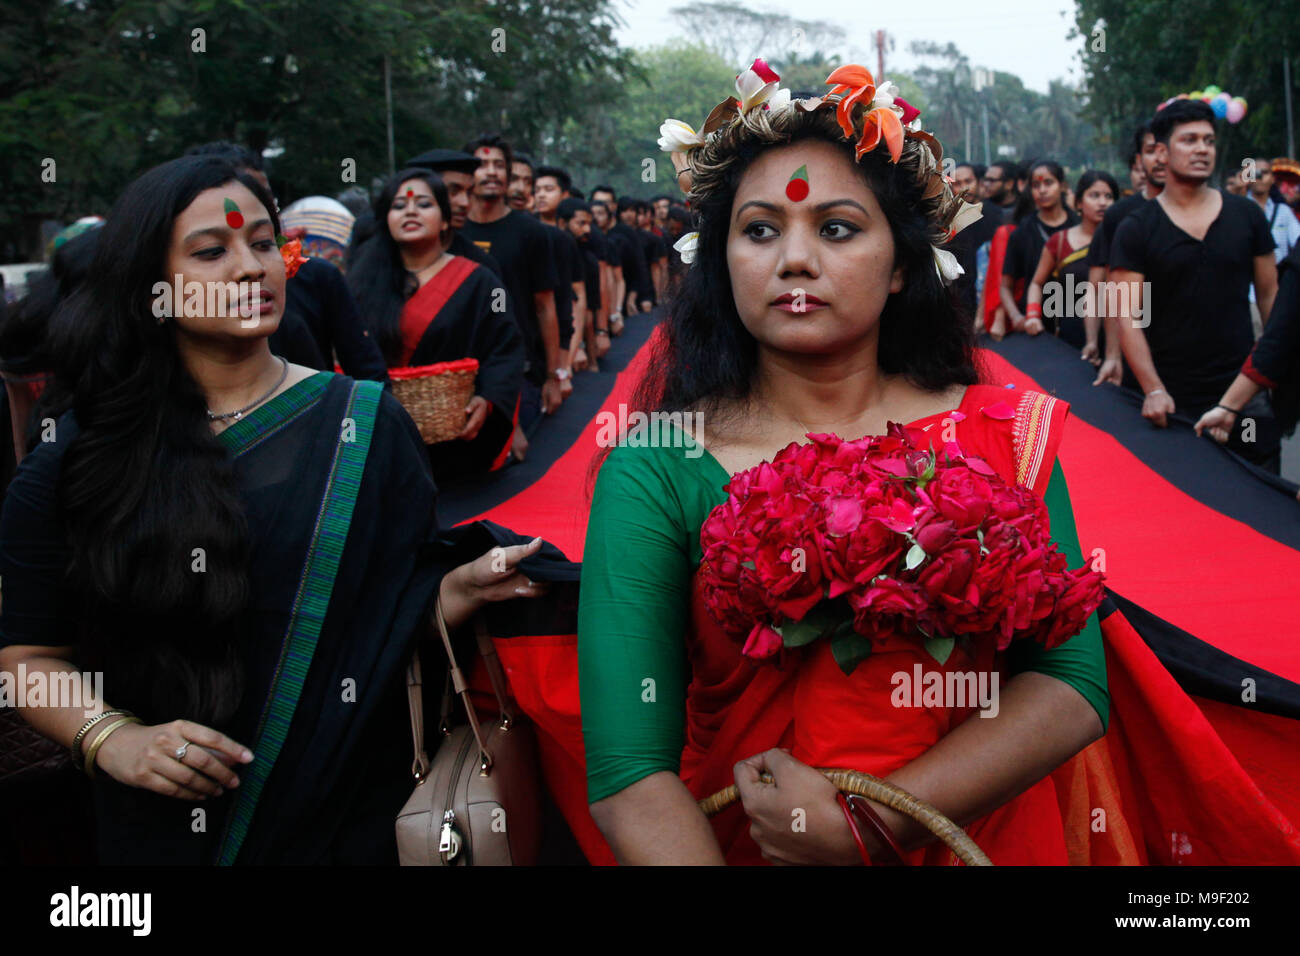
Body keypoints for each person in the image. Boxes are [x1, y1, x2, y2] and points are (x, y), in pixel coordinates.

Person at [579, 66, 1107, 865]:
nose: (794, 259)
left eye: (836, 229)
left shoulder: (1003, 435)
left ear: (901, 265)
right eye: (759, 230)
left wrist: (878, 825)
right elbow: (629, 774)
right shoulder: (656, 467)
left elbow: (1071, 683)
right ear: (720, 261)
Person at [0, 156, 546, 865]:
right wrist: (115, 740)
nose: (250, 267)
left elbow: (386, 613)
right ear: (149, 285)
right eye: (211, 251)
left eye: (263, 243)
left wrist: (454, 592)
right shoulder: (82, 456)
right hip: (162, 827)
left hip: (347, 814)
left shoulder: (364, 425)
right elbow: (28, 657)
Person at [1109, 99, 1281, 472]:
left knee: (1263, 501)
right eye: (1189, 140)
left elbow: (1270, 297)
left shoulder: (1247, 216)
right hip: (1170, 399)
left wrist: (1275, 367)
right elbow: (1126, 316)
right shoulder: (1136, 228)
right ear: (1161, 152)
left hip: (1244, 392)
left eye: (1208, 140)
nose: (1202, 148)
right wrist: (1153, 389)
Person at [346, 168, 525, 482]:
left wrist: (489, 398)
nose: (411, 210)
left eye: (424, 204)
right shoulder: (362, 280)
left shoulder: (479, 280)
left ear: (445, 220)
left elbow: (505, 348)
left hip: (450, 443)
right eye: (399, 206)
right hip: (377, 434)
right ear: (386, 220)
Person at [460, 134, 568, 430]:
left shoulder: (532, 233)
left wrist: (553, 376)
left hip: (519, 372)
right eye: (482, 164)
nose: (492, 171)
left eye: (499, 164)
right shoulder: (451, 230)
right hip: (458, 373)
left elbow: (546, 307)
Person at [1087, 122, 1166, 385]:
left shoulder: (1230, 212)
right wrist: (1113, 354)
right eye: (1153, 149)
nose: (1162, 156)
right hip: (1138, 347)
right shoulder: (1121, 216)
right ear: (1139, 159)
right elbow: (1111, 289)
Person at [1024, 170, 1118, 352]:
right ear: (1079, 203)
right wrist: (1033, 315)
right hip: (1070, 336)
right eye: (1094, 195)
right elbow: (1037, 283)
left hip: (1118, 335)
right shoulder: (1059, 242)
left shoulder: (1123, 241)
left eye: (1108, 196)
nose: (1102, 203)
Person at [997, 160, 1078, 335]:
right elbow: (1005, 286)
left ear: (1062, 186)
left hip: (1077, 321)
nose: (1042, 190)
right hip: (1036, 326)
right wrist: (1016, 316)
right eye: (1036, 185)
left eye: (1048, 183)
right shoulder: (1022, 232)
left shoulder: (1078, 227)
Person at [556, 197, 611, 369]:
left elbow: (587, 309)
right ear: (562, 223)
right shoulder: (546, 244)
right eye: (581, 224)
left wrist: (580, 347)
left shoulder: (588, 259)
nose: (587, 229)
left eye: (589, 223)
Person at [949, 162, 1004, 321]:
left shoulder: (997, 215)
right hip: (959, 301)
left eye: (968, 181)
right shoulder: (945, 220)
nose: (965, 188)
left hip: (992, 297)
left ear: (979, 183)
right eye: (958, 184)